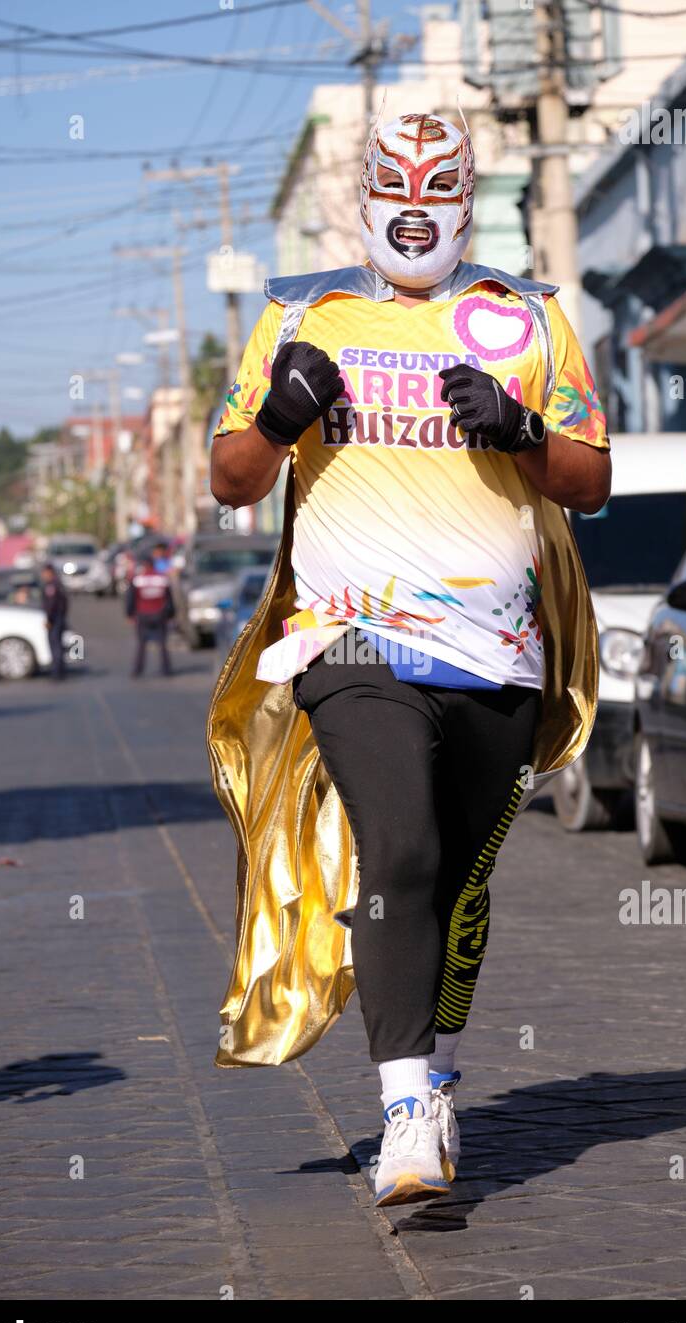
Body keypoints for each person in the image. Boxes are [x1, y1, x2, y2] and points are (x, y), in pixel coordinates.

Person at [209, 111, 611, 1207]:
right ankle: (401, 1113)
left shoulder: (525, 318)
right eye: (397, 185)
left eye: (439, 188)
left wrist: (520, 429)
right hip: (351, 641)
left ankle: (431, 1070)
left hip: (497, 653)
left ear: (469, 196)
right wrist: (285, 412)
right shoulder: (304, 313)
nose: (416, 205)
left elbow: (586, 482)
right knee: (398, 848)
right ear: (365, 193)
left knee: (457, 878)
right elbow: (232, 479)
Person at [126, 557, 174, 677]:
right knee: (162, 643)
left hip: (143, 615)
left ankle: (138, 670)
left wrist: (129, 614)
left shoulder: (138, 579)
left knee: (141, 644)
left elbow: (131, 598)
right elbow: (169, 599)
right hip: (160, 614)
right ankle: (166, 670)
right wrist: (171, 614)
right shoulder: (162, 578)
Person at [40, 563, 68, 680]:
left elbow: (51, 605)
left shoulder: (52, 586)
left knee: (55, 645)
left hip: (54, 619)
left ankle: (57, 672)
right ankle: (59, 670)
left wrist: (49, 619)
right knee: (58, 645)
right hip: (59, 618)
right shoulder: (58, 584)